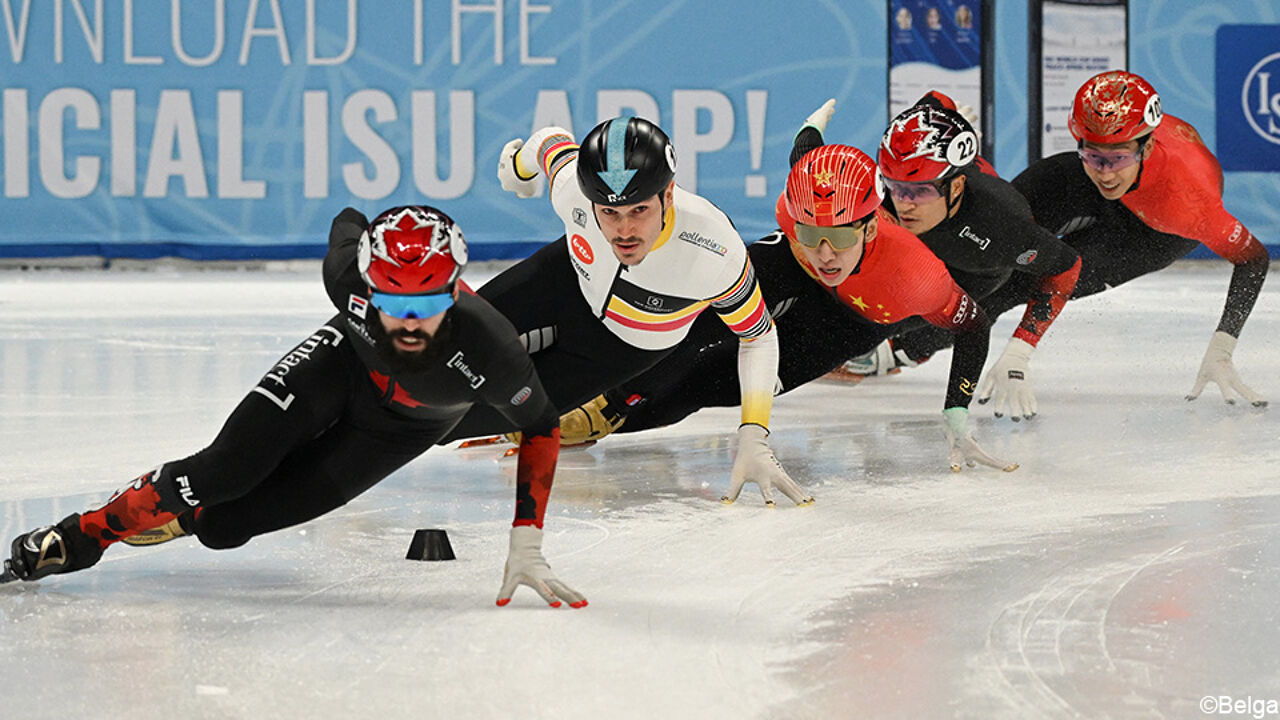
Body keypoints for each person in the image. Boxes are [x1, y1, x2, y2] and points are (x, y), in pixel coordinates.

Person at [3, 205, 587, 609]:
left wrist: (526, 543)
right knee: (224, 470)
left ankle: (185, 518)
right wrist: (365, 227)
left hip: (401, 428)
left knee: (227, 525)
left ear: (456, 287)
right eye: (391, 300)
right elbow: (347, 223)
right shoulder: (346, 279)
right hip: (340, 366)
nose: (410, 321)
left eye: (430, 301)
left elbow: (539, 426)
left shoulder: (492, 349)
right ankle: (80, 536)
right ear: (367, 282)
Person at [558, 126, 1018, 476]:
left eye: (838, 236)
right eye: (811, 233)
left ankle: (612, 422)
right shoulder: (797, 213)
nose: (825, 253)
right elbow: (806, 152)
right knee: (697, 321)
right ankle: (598, 398)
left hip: (850, 321)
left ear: (870, 227)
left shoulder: (915, 276)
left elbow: (973, 324)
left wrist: (957, 411)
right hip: (786, 267)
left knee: (716, 388)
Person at [445, 116, 804, 507]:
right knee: (441, 343)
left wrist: (754, 433)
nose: (624, 231)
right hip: (561, 283)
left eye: (639, 211)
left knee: (449, 419)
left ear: (668, 195)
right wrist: (518, 169)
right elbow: (549, 141)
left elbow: (758, 335)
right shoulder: (573, 190)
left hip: (616, 352)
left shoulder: (713, 251)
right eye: (610, 213)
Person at [870, 70, 1271, 410]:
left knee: (1022, 281)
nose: (1106, 173)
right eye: (1093, 154)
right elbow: (935, 106)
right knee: (997, 234)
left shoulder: (1189, 201)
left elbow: (1253, 258)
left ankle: (901, 352)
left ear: (1147, 145)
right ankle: (881, 316)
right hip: (1105, 186)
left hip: (1150, 234)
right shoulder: (1102, 164)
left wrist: (1223, 345)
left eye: (1116, 158)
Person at [830, 96, 1083, 421]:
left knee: (935, 315)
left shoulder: (1002, 226)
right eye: (895, 186)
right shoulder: (891, 192)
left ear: (957, 187)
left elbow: (1067, 265)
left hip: (976, 267)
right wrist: (943, 115)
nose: (905, 203)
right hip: (944, 217)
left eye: (920, 191)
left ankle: (895, 354)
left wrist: (1021, 349)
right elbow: (934, 101)